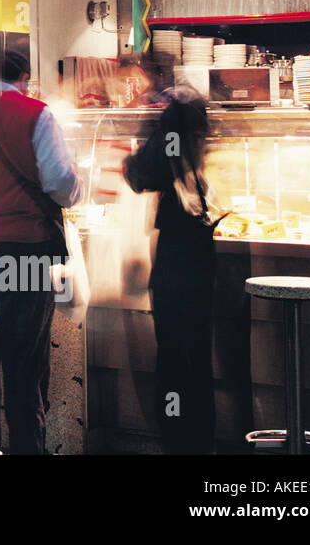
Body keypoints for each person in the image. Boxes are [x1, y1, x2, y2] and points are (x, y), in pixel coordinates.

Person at [0, 49, 81, 454]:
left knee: (16, 346)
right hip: (34, 243)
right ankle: (28, 445)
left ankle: (25, 438)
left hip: (0, 243)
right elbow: (58, 182)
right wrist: (78, 189)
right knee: (29, 353)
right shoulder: (38, 114)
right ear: (25, 76)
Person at [122, 86, 218, 454]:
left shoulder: (170, 137)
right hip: (201, 254)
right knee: (197, 354)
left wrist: (151, 133)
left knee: (174, 359)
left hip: (176, 258)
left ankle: (178, 443)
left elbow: (138, 176)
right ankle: (201, 441)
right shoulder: (194, 133)